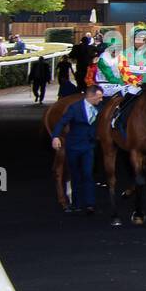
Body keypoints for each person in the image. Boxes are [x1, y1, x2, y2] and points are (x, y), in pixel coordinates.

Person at [51, 83, 104, 214]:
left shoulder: (100, 109)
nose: (101, 100)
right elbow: (62, 122)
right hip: (74, 146)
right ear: (91, 96)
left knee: (88, 173)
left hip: (88, 146)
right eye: (99, 97)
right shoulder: (75, 108)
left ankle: (90, 204)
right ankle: (77, 203)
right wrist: (55, 136)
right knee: (75, 174)